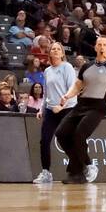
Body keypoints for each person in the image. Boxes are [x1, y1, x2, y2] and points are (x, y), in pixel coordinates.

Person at [55, 35, 106, 184]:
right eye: (99, 44)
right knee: (61, 133)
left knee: (79, 134)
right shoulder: (87, 67)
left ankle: (87, 165)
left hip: (98, 107)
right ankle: (78, 170)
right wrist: (67, 96)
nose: (101, 47)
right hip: (81, 104)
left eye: (104, 45)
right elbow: (77, 86)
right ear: (95, 47)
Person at [29, 41, 78, 185]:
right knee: (44, 140)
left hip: (67, 108)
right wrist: (42, 109)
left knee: (68, 140)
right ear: (49, 53)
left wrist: (62, 106)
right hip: (51, 110)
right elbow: (46, 93)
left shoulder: (67, 67)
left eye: (58, 49)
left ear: (62, 53)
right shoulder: (47, 71)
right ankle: (46, 172)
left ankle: (82, 166)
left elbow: (72, 91)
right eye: (53, 49)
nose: (55, 51)